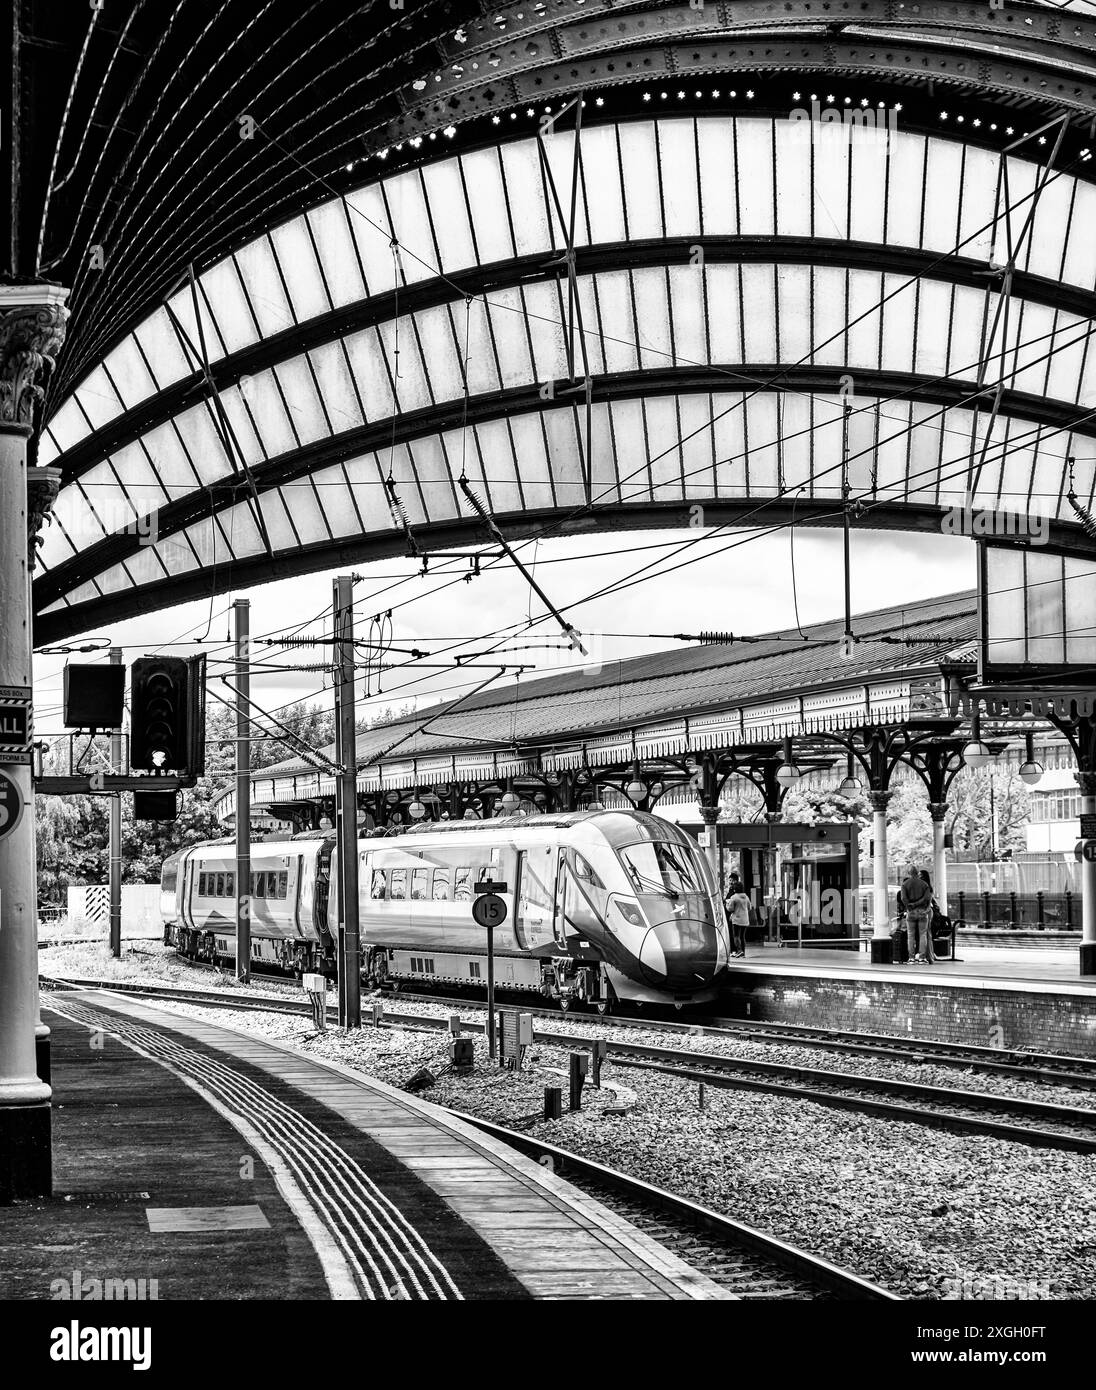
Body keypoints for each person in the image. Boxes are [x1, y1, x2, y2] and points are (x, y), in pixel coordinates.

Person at [901, 865, 934, 963]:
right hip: (922, 912)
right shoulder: (924, 884)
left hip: (910, 912)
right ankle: (922, 958)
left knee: (910, 935)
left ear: (909, 873)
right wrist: (918, 904)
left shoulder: (905, 884)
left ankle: (911, 958)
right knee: (923, 934)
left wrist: (909, 906)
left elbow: (903, 898)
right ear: (917, 872)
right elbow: (927, 898)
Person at [724, 875, 751, 958]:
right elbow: (749, 907)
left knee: (736, 936)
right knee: (742, 937)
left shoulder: (734, 897)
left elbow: (730, 909)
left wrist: (727, 903)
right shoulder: (746, 897)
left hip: (736, 919)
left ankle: (739, 950)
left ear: (735, 889)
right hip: (745, 920)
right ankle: (743, 952)